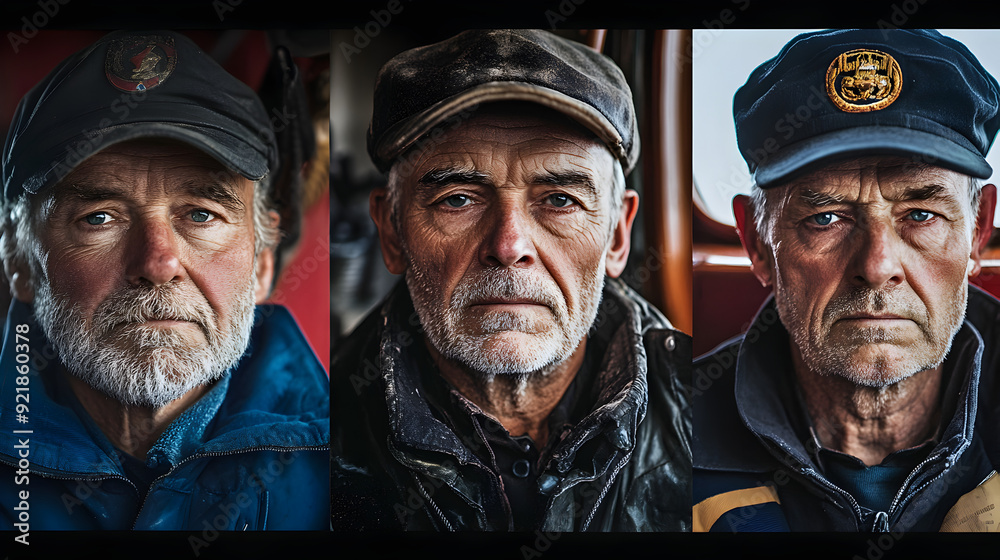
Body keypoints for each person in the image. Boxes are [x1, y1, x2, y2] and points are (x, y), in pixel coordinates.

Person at [331, 29, 691, 531]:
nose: (509, 246)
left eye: (560, 200)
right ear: (391, 231)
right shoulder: (322, 427)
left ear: (617, 235)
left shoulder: (702, 405)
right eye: (457, 198)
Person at [0, 30, 329, 530]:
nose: (158, 263)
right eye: (99, 218)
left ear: (263, 262)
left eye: (201, 215)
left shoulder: (355, 471)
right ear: (19, 261)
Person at [693, 29, 1000, 532]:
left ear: (977, 235)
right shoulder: (662, 441)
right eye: (826, 218)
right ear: (757, 242)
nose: (877, 266)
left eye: (921, 214)